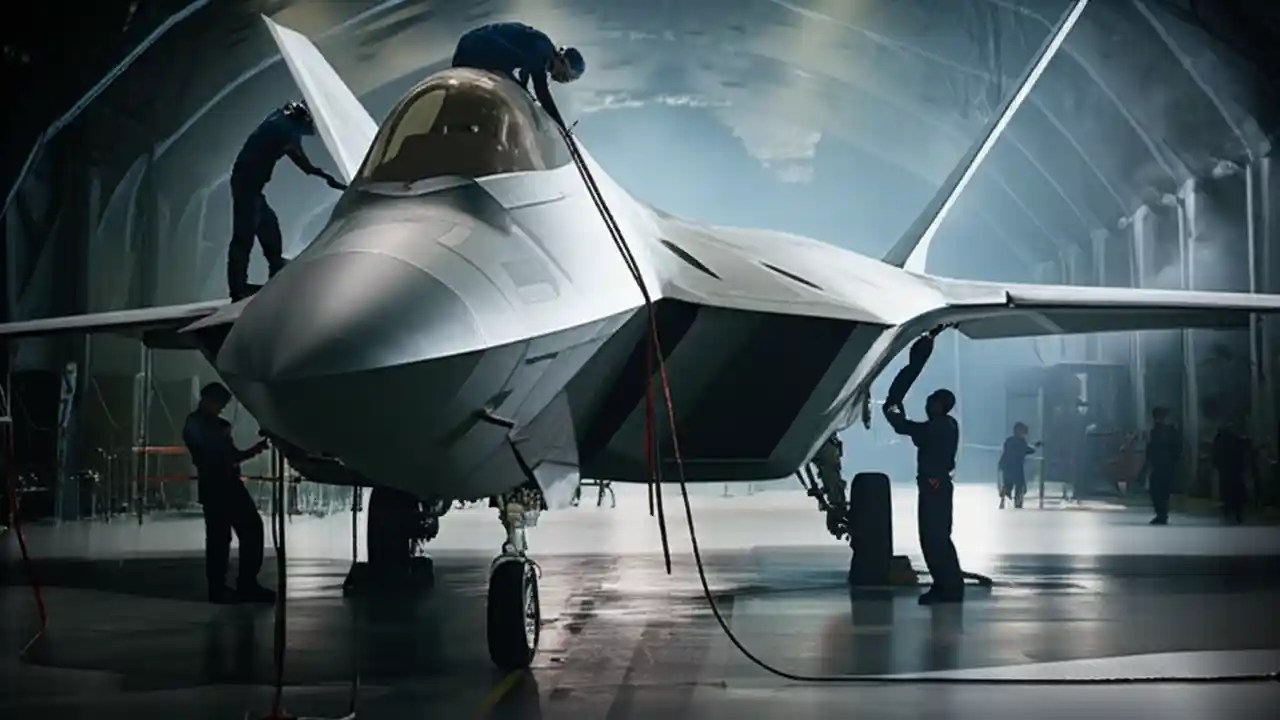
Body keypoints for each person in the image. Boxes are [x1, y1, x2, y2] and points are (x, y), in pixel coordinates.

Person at [228, 100, 346, 301]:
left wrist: (325, 176)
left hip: (251, 187)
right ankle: (238, 290)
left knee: (269, 227)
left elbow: (301, 160)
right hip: (247, 186)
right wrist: (326, 176)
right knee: (244, 237)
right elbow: (298, 155)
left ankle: (274, 268)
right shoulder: (281, 128)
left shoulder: (283, 122)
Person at [882, 331, 964, 605]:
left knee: (934, 537)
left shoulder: (937, 427)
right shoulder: (947, 425)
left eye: (932, 401)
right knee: (937, 537)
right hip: (936, 484)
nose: (928, 405)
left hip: (933, 485)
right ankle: (948, 585)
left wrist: (893, 410)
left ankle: (948, 587)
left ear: (940, 405)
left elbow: (905, 428)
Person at [183, 382, 274, 603]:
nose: (220, 408)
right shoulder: (196, 424)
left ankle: (243, 584)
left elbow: (232, 456)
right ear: (207, 400)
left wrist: (254, 450)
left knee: (245, 531)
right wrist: (223, 437)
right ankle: (223, 587)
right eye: (219, 403)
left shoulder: (214, 425)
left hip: (227, 484)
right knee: (221, 538)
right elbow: (209, 449)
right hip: (216, 485)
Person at [451, 22, 585, 129]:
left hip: (468, 49)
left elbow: (528, 78)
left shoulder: (539, 50)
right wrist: (561, 127)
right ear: (562, 61)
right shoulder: (543, 48)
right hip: (476, 49)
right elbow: (542, 92)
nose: (563, 79)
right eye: (566, 76)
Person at [1139, 406, 1181, 525]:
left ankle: (1161, 513)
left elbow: (1151, 449)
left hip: (1160, 465)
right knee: (1162, 490)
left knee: (1158, 491)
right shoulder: (1169, 431)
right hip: (1165, 465)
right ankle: (1162, 513)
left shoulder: (1158, 431)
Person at [1212, 420, 1256, 525]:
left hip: (1226, 468)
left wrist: (1217, 464)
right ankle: (1236, 509)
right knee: (1235, 489)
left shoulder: (1221, 438)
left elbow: (1215, 453)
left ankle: (1230, 508)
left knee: (1228, 489)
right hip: (1233, 468)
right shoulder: (1234, 438)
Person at [998, 422, 1039, 509]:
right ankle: (1015, 502)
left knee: (1009, 486)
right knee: (1018, 487)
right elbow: (1026, 450)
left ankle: (1007, 499)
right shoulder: (1019, 442)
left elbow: (1025, 450)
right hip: (1015, 468)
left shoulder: (1009, 441)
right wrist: (1034, 447)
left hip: (1008, 468)